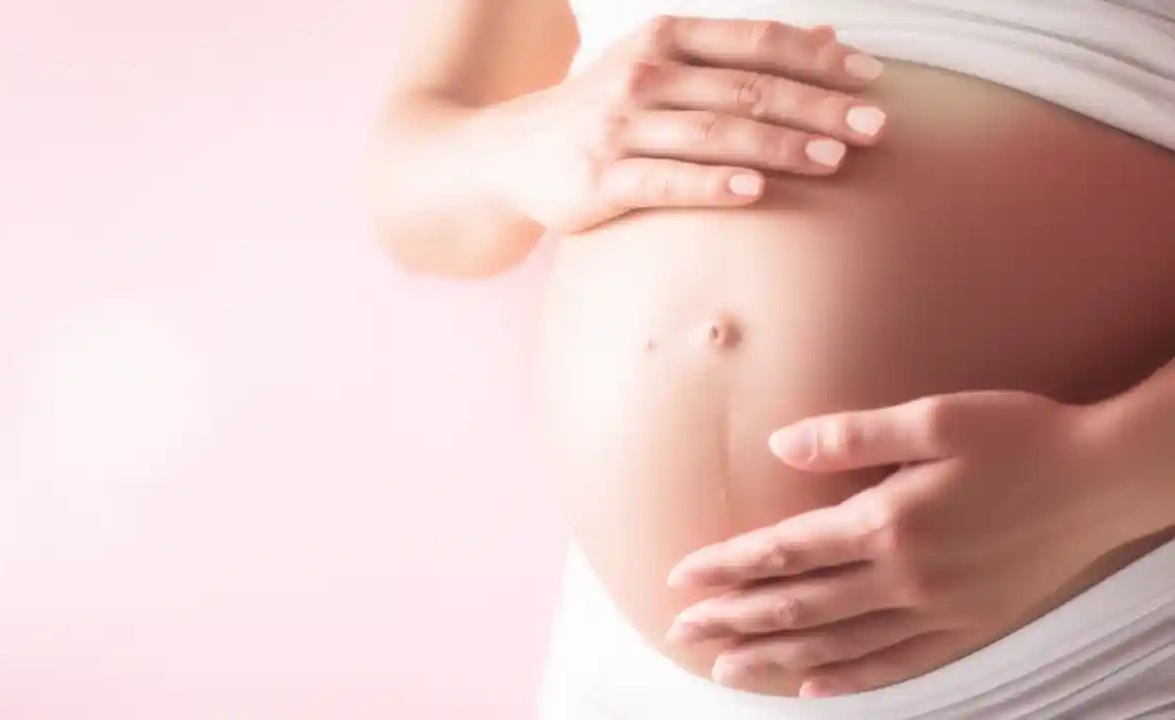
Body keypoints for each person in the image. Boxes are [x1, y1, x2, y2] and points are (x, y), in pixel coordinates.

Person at [364, 1, 1175, 717]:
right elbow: (410, 186)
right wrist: (516, 145)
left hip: (1118, 648)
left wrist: (1105, 483)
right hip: (631, 684)